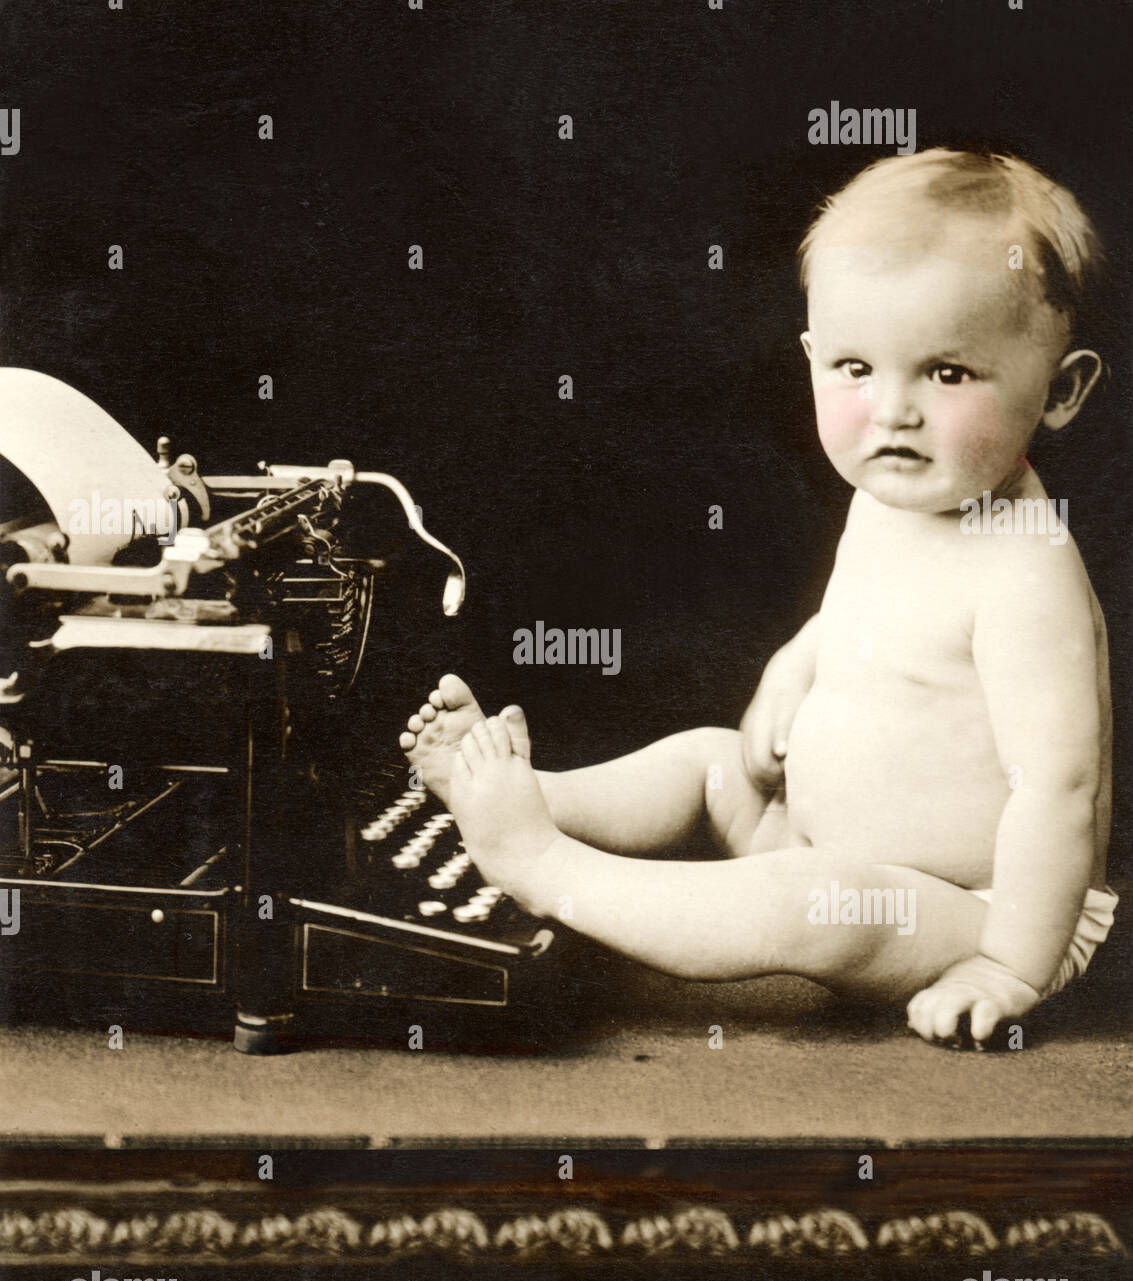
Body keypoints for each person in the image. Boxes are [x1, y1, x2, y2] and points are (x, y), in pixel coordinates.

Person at [400, 149, 1117, 1049]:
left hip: (975, 908)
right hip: (815, 831)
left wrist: (1011, 962)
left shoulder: (1022, 570)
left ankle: (543, 863)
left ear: (1058, 390)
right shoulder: (894, 493)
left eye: (945, 374)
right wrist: (794, 667)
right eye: (856, 367)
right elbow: (865, 618)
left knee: (808, 905)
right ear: (812, 357)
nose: (890, 411)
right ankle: (540, 795)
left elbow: (1060, 785)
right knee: (706, 762)